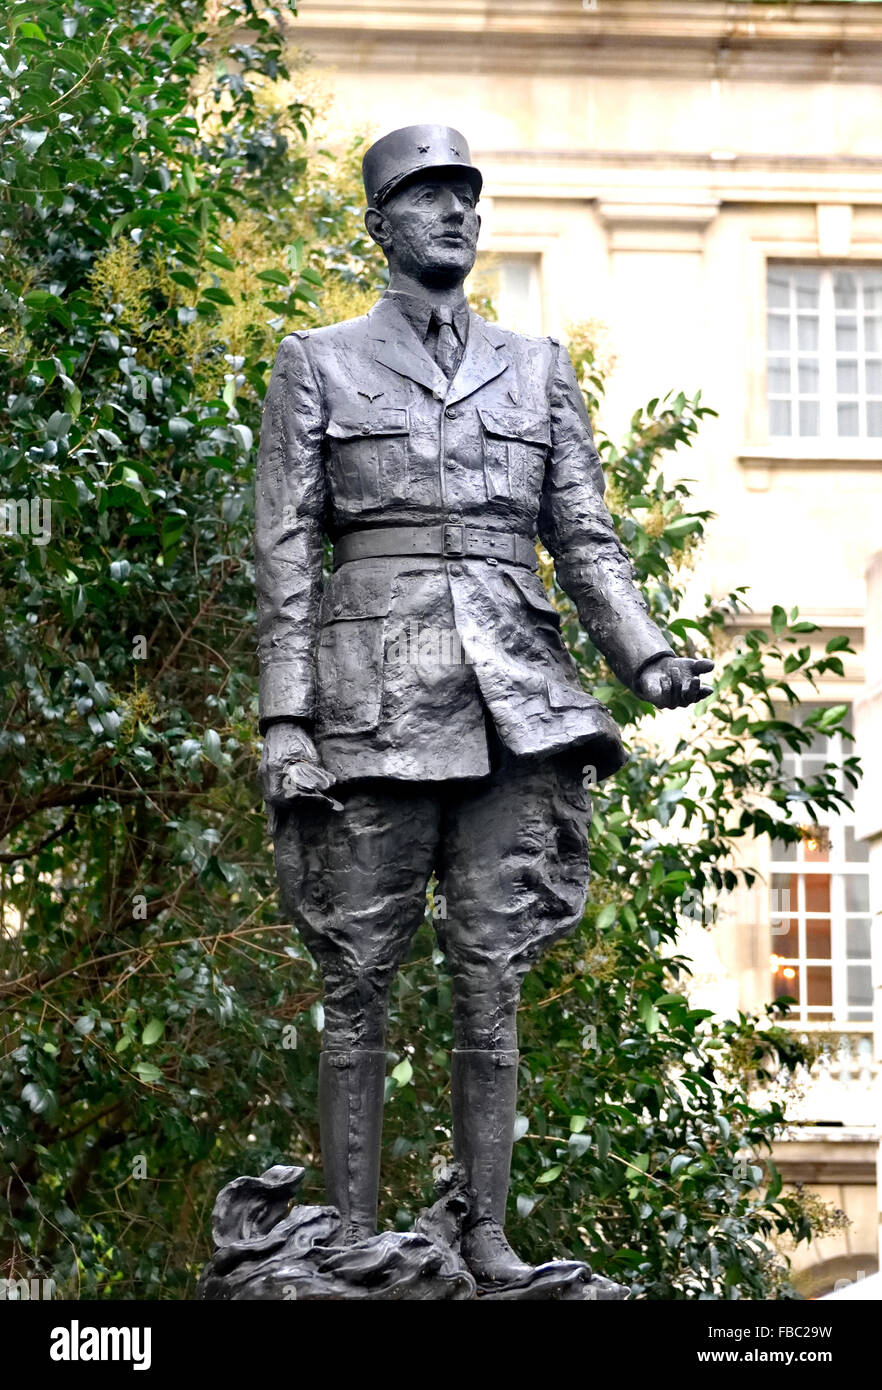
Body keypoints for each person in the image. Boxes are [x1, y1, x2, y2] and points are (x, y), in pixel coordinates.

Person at [254, 124, 712, 1289]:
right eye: (428, 196)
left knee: (489, 975)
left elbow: (587, 538)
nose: (456, 212)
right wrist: (286, 719)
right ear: (381, 224)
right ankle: (353, 1237)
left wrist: (646, 658)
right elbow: (286, 549)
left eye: (467, 195)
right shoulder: (318, 360)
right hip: (370, 698)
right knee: (358, 976)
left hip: (517, 696)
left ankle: (487, 1233)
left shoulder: (537, 366)